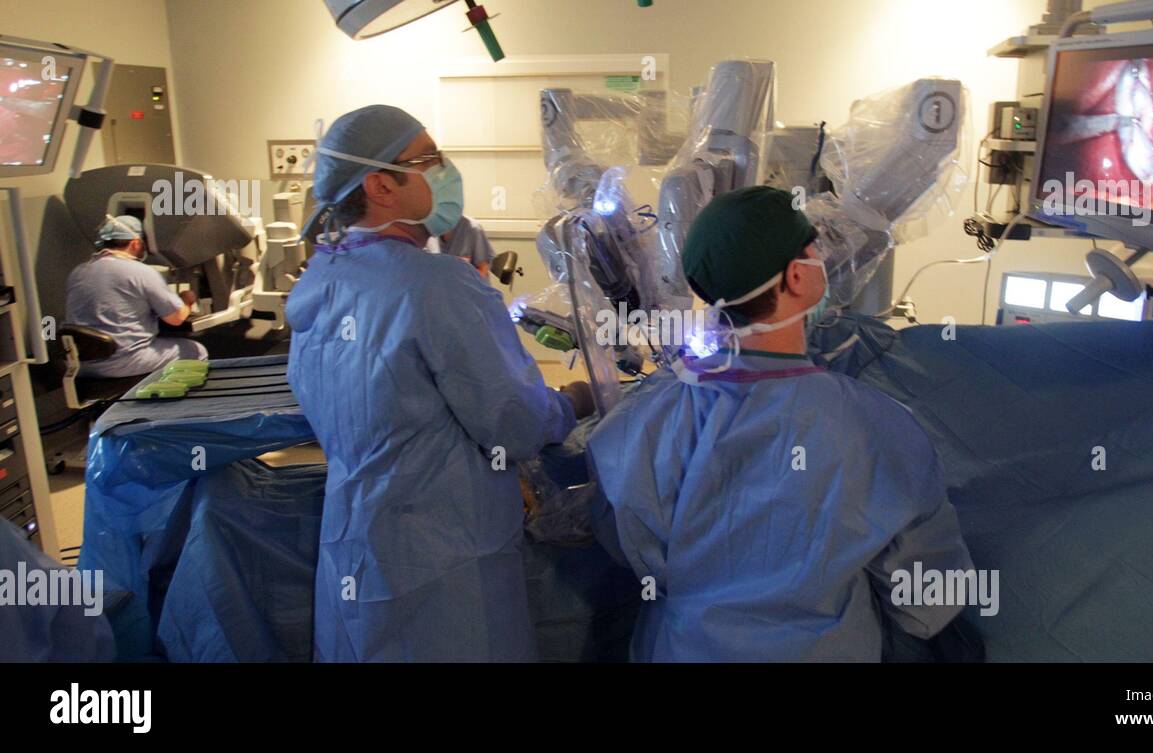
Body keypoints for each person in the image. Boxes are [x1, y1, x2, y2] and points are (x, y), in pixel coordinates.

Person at [585, 186, 977, 662]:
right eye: (813, 249)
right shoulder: (876, 427)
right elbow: (927, 600)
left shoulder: (644, 418)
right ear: (796, 276)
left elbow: (635, 549)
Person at [287, 104, 591, 662]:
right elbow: (515, 425)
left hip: (356, 534)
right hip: (443, 553)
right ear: (380, 184)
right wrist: (572, 401)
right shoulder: (435, 286)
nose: (445, 170)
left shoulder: (322, 278)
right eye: (429, 159)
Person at [64, 215, 206, 377]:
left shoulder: (78, 272)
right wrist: (187, 299)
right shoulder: (141, 272)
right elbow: (176, 318)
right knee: (195, 351)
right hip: (123, 362)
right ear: (135, 243)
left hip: (81, 365)